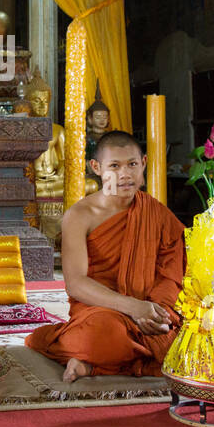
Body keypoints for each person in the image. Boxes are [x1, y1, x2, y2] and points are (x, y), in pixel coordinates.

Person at [25, 131, 186, 381]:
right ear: (96, 167)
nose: (125, 174)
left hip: (149, 310)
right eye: (114, 166)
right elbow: (76, 284)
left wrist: (156, 311)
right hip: (100, 310)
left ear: (143, 163)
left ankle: (90, 366)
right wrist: (133, 307)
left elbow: (172, 272)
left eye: (132, 164)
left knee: (202, 334)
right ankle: (121, 357)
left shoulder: (157, 214)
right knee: (102, 335)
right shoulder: (80, 215)